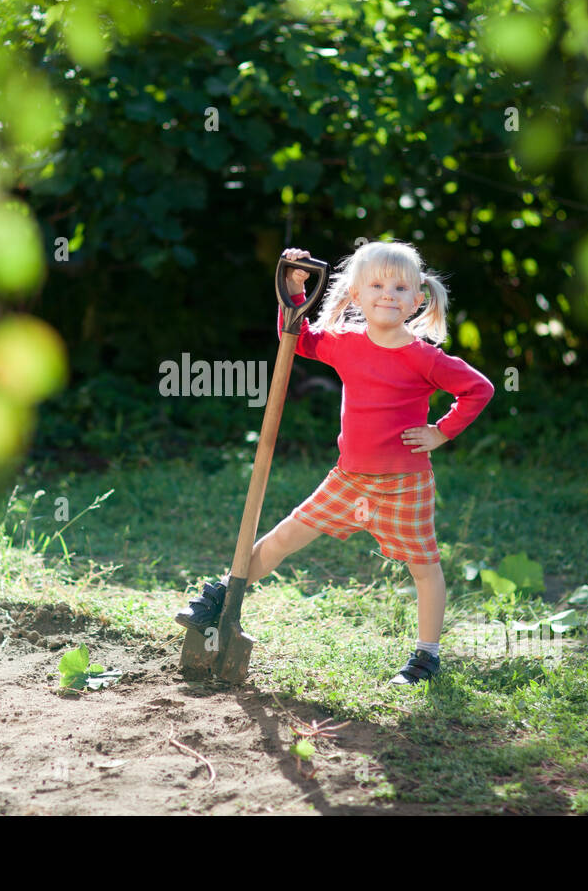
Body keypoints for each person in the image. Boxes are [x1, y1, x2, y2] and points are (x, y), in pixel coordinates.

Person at [175, 241, 495, 686]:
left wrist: (440, 431)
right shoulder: (345, 344)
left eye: (401, 287)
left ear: (417, 299)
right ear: (356, 296)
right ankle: (223, 598)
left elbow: (478, 388)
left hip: (405, 483)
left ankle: (426, 657)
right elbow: (297, 340)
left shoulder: (424, 357)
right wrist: (292, 289)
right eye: (377, 285)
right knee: (283, 536)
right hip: (349, 480)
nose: (389, 294)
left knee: (424, 567)